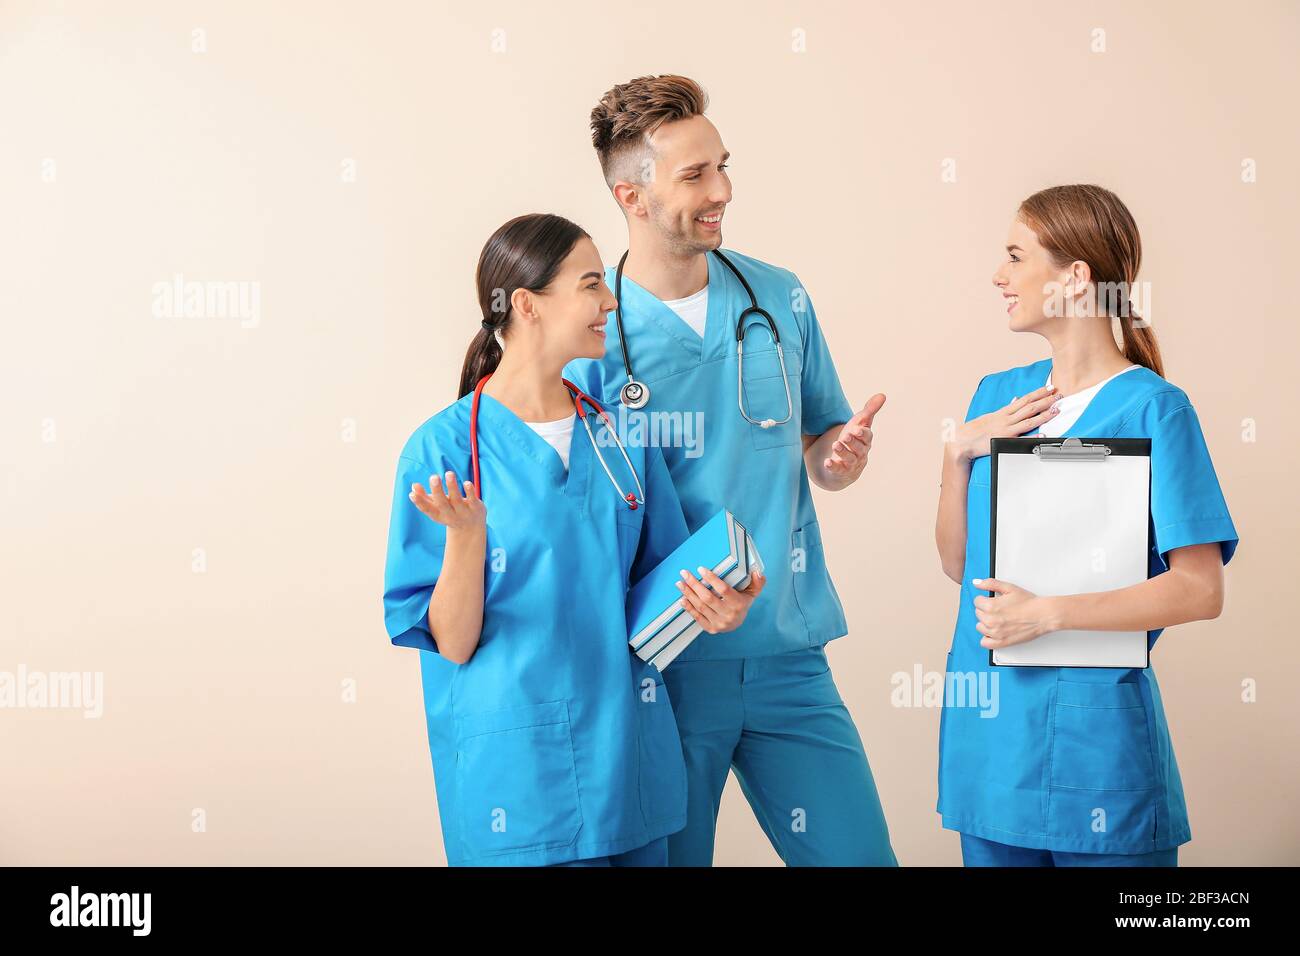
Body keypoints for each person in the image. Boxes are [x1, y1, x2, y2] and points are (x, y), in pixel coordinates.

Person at [565, 75, 897, 866]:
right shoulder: (590, 337)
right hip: (663, 671)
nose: (722, 191)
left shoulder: (778, 296)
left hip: (787, 650)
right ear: (632, 196)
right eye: (695, 175)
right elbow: (573, 518)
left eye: (723, 166)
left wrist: (839, 459)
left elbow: (822, 453)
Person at [382, 213, 763, 867]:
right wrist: (468, 538)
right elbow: (452, 639)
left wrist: (720, 603)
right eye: (591, 284)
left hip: (628, 766)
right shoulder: (444, 450)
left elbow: (665, 595)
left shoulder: (621, 438)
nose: (610, 301)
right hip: (519, 784)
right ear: (527, 304)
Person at [934, 184, 1239, 866]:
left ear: (1076, 278)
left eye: (1015, 256)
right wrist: (957, 454)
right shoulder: (995, 398)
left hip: (1095, 748)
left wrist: (1049, 614)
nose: (998, 276)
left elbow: (1200, 590)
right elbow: (961, 567)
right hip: (991, 740)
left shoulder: (1156, 410)